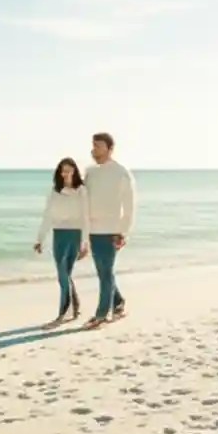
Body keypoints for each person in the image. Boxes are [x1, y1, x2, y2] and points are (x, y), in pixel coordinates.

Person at [82, 132, 136, 330]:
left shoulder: (121, 172)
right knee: (104, 272)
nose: (93, 149)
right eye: (93, 145)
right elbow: (84, 200)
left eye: (98, 146)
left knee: (105, 273)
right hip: (93, 230)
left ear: (110, 148)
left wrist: (123, 232)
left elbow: (129, 206)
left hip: (112, 231)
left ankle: (101, 315)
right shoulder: (90, 172)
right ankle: (118, 303)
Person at [33, 157, 90, 330]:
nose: (66, 174)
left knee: (66, 273)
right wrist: (40, 239)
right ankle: (73, 308)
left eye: (69, 170)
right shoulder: (55, 191)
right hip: (59, 235)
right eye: (63, 170)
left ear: (74, 171)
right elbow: (47, 216)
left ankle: (64, 313)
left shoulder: (81, 190)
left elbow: (85, 217)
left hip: (75, 234)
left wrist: (85, 243)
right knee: (62, 273)